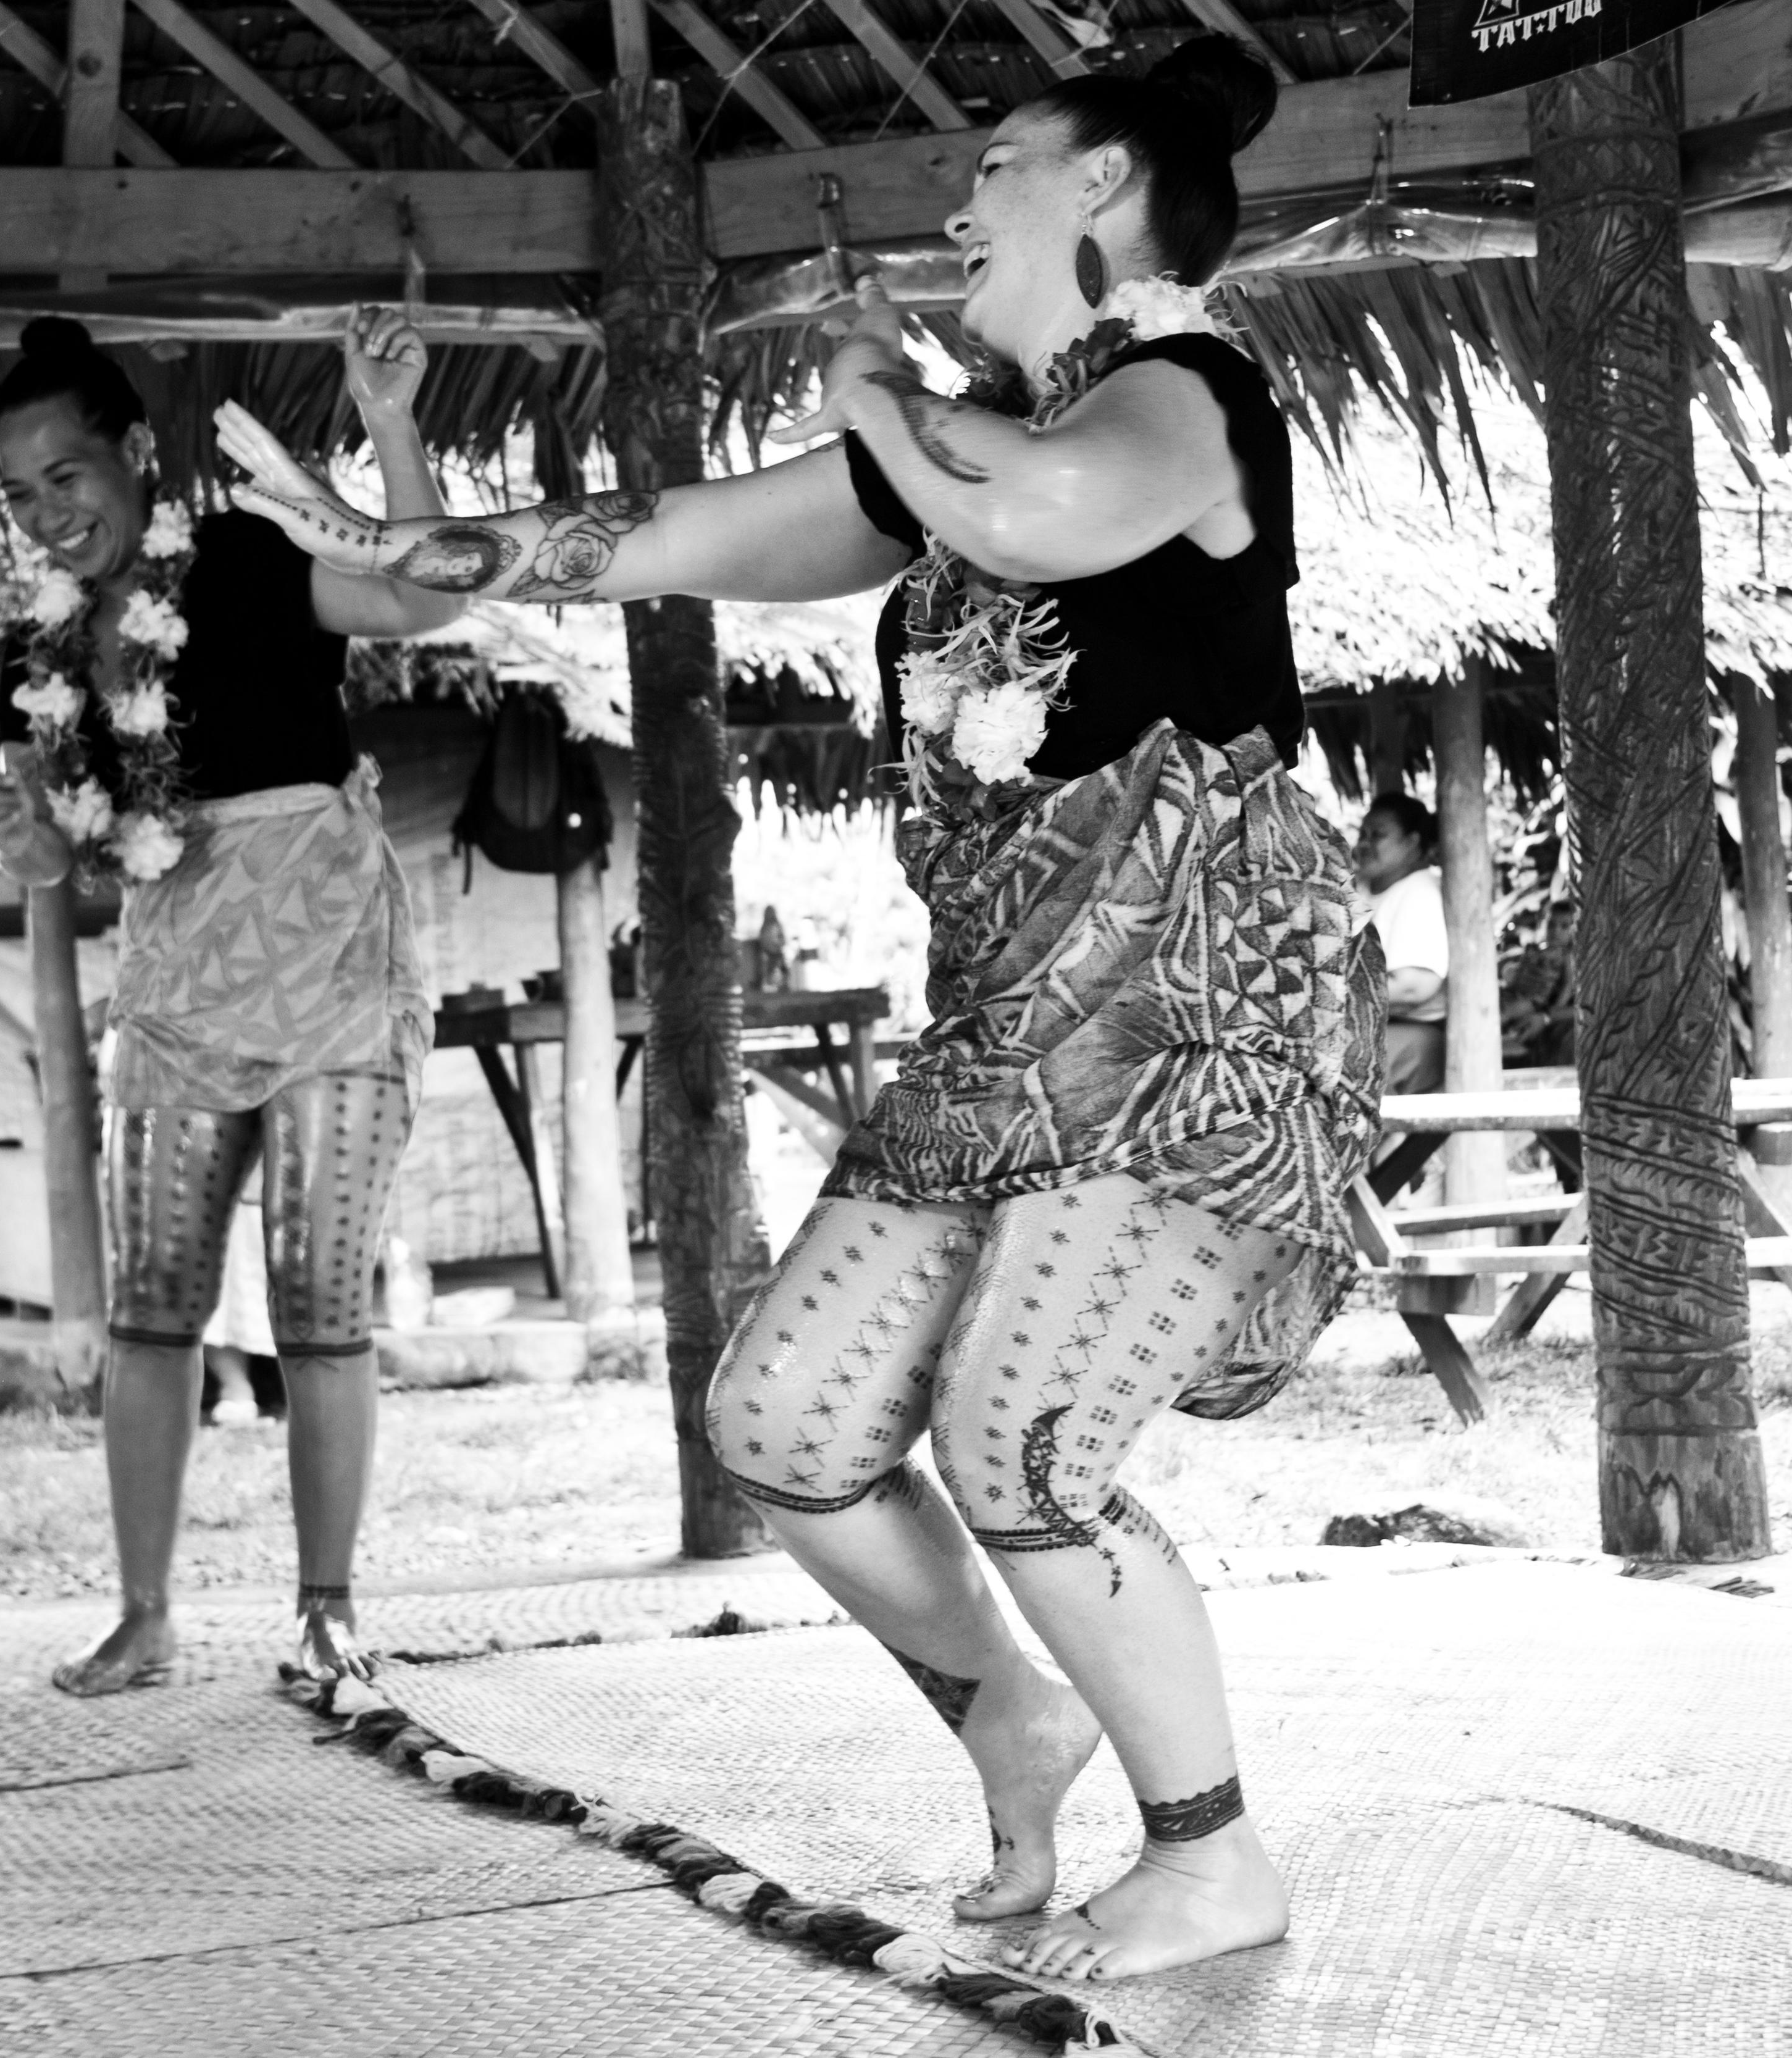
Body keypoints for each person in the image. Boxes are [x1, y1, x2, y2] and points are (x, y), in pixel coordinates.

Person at [221, 36, 1380, 1981]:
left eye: (998, 164)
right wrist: (377, 541)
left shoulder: (1190, 399)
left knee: (1020, 1437)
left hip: (1191, 1016)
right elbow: (648, 539)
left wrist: (866, 378)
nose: (960, 202)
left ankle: (1212, 1852)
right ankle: (1013, 1715)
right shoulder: (938, 454)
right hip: (1006, 1030)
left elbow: (1036, 514)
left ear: (1104, 186)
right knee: (781, 1418)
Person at [0, 311, 466, 1694]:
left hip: (325, 967)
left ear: (135, 451)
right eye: (20, 492)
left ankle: (328, 1612)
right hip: (177, 979)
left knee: (319, 1299)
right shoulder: (34, 651)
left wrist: (392, 423)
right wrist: (26, 843)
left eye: (66, 475)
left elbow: (427, 599)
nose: (46, 513)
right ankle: (143, 1613)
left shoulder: (245, 555)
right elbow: (53, 849)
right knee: (153, 1306)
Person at [1352, 792, 1448, 1094]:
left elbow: (1413, 987)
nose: (1364, 843)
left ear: (1412, 842)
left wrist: (1329, 996)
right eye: (1363, 834)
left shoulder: (1421, 891)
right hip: (1367, 1025)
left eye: (1378, 836)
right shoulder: (1361, 888)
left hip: (1413, 1033)